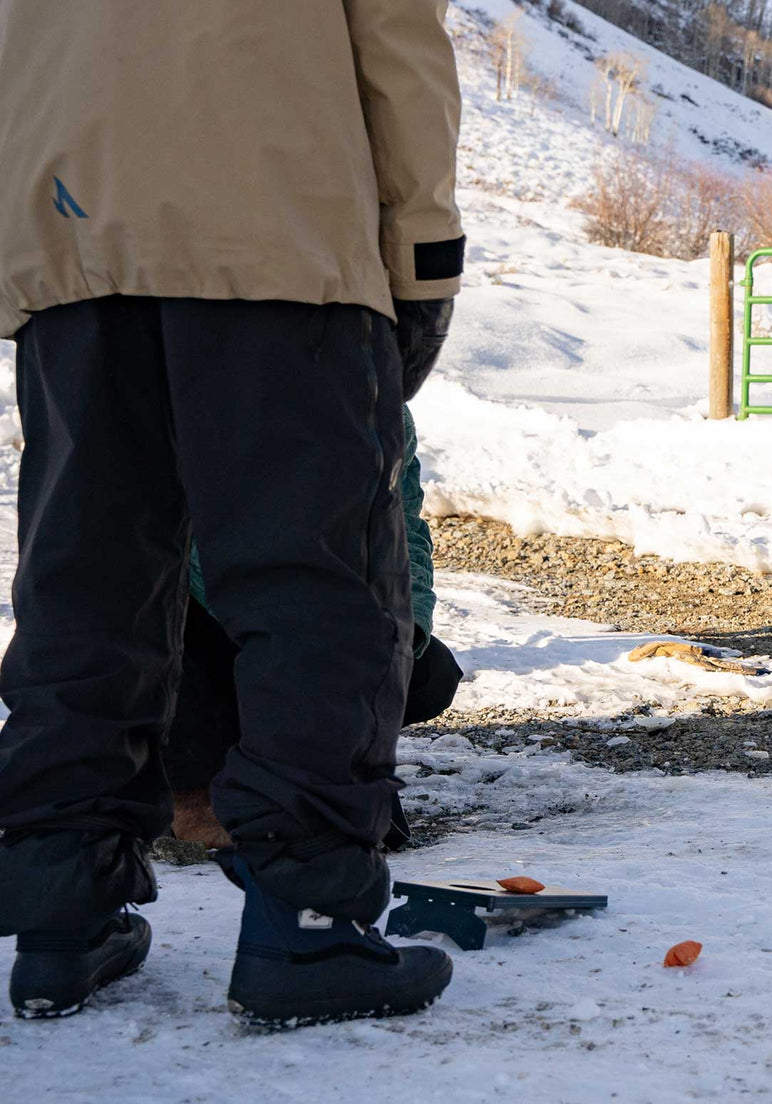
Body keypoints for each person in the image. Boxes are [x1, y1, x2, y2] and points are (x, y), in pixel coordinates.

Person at [0, 0, 467, 1025]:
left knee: (86, 582)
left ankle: (59, 919)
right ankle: (309, 924)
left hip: (67, 235)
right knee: (316, 582)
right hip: (275, 231)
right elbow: (397, 42)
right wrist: (425, 256)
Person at [167, 405, 465, 853]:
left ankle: (308, 772)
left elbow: (403, 528)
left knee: (425, 674)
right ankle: (190, 795)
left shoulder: (379, 397)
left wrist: (406, 627)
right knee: (195, 657)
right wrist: (292, 636)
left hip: (314, 601)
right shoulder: (217, 380)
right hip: (209, 602)